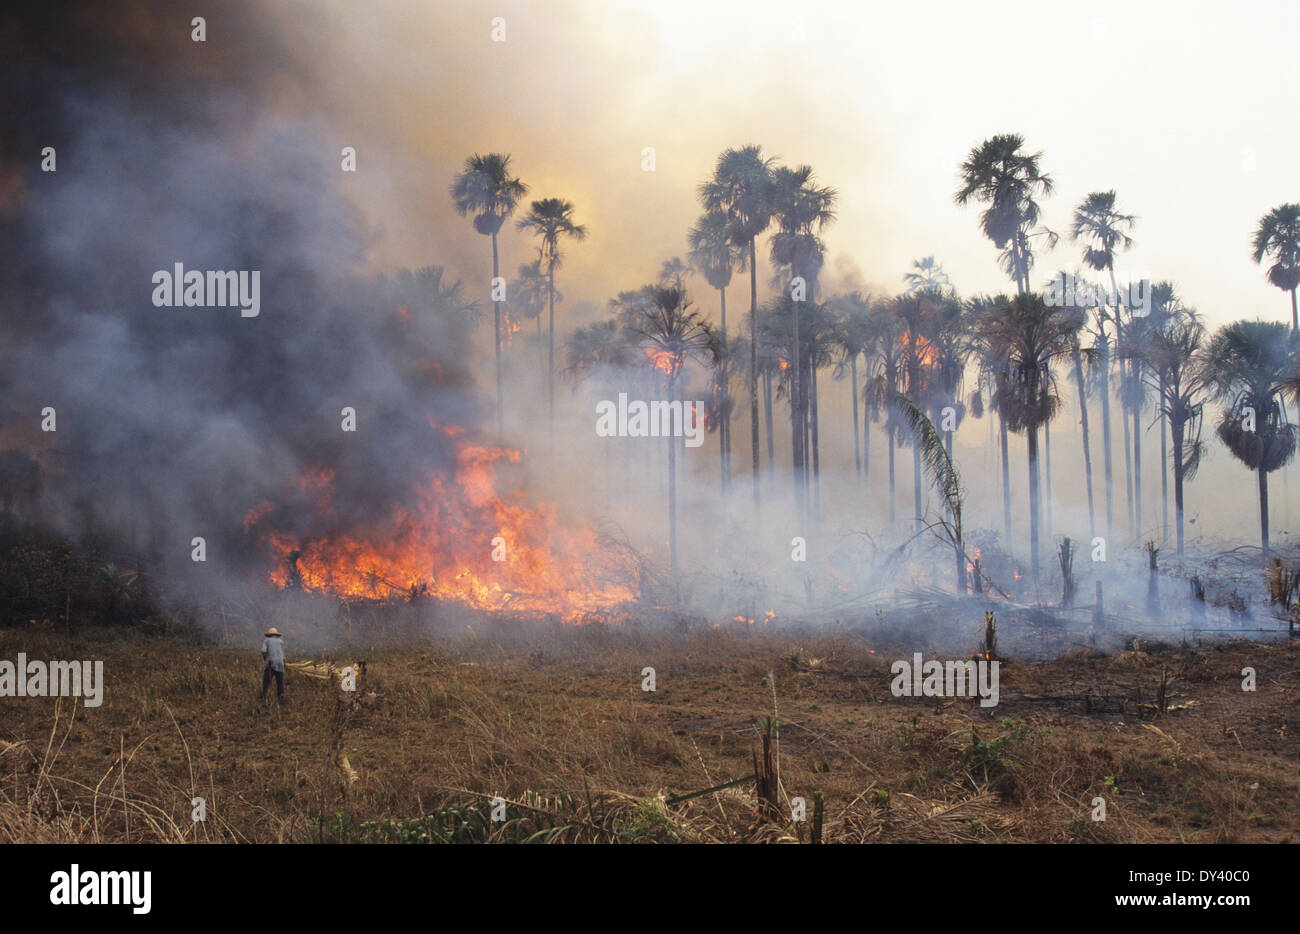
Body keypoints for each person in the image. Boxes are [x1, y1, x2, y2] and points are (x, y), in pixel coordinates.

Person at [260, 627, 286, 703]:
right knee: (280, 682)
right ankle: (281, 697)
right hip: (280, 664)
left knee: (266, 681)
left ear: (269, 634)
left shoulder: (266, 641)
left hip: (270, 664)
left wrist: (265, 658)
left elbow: (263, 651)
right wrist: (283, 662)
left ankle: (263, 697)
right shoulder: (280, 641)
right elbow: (283, 654)